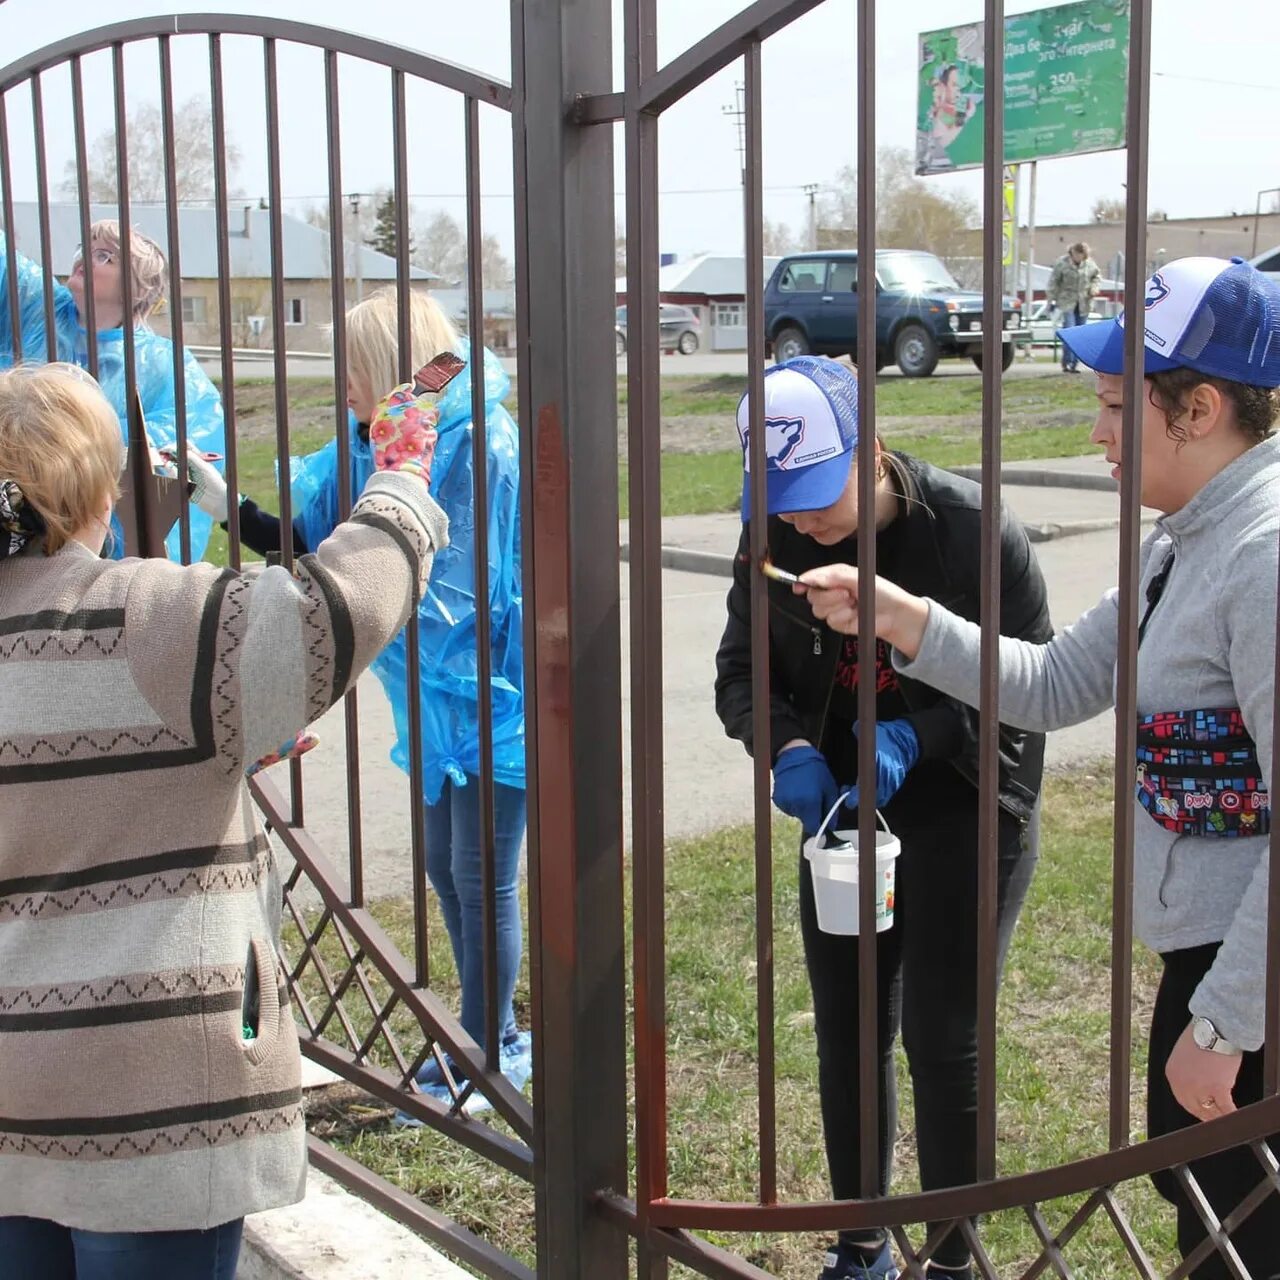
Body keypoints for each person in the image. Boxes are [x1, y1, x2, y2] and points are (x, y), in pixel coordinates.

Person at [800, 256, 1280, 1278]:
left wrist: (1229, 1018)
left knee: (1242, 1228)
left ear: (1196, 408)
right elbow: (1059, 679)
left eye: (1115, 405)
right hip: (1213, 954)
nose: (1096, 432)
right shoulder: (1181, 542)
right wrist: (905, 619)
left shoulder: (1262, 556)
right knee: (1210, 1209)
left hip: (1246, 974)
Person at [0, 362, 447, 1278]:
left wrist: (202, 746)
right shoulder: (143, 619)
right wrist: (400, 474)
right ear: (97, 482)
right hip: (152, 1116)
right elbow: (341, 604)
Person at [714, 357, 1053, 1280]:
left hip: (968, 801)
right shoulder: (768, 533)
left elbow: (1031, 690)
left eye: (817, 495)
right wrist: (785, 749)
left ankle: (950, 1258)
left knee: (943, 1038)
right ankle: (860, 1245)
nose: (797, 520)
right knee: (850, 1028)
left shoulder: (976, 535)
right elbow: (742, 672)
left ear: (872, 453)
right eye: (778, 499)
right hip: (842, 812)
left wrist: (920, 735)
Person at [186, 286, 529, 1111]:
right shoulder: (370, 446)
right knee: (447, 870)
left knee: (482, 874)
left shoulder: (483, 442)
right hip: (436, 704)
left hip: (498, 697)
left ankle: (486, 1054)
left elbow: (465, 580)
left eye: (351, 366)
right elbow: (321, 539)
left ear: (387, 363)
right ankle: (493, 1033)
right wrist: (221, 504)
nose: (340, 382)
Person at [0, 220, 226, 562]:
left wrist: (81, 440)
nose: (85, 259)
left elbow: (180, 442)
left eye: (104, 256)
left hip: (104, 541)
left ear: (137, 288)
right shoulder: (39, 310)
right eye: (85, 249)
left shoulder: (161, 363)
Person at [1047, 241, 1101, 373]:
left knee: (1080, 334)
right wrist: (1050, 299)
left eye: (1082, 255)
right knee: (1070, 331)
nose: (1079, 258)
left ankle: (1075, 365)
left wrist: (1094, 288)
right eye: (1078, 254)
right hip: (1067, 302)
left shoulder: (1089, 264)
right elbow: (1054, 282)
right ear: (1073, 253)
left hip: (1084, 302)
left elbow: (1096, 277)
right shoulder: (1062, 263)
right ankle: (1067, 361)